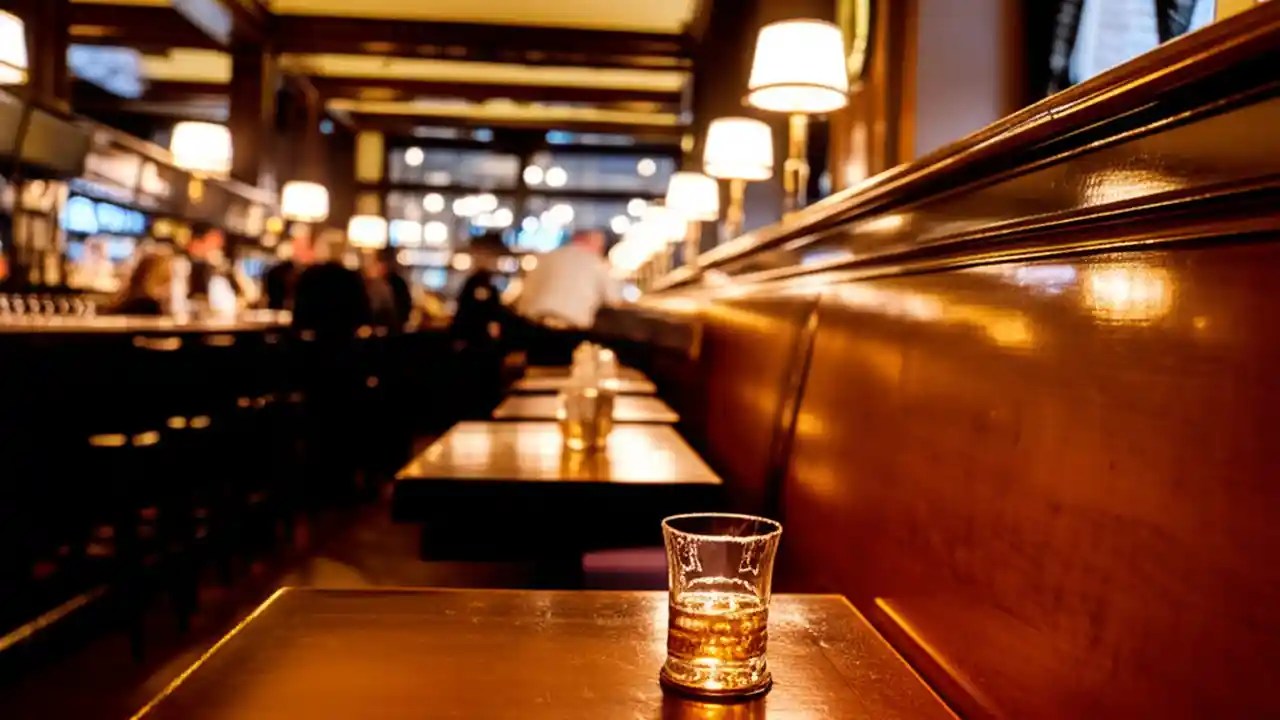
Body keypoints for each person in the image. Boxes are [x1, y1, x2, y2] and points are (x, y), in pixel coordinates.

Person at [514, 228, 620, 329]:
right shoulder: (596, 263)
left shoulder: (547, 257)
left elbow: (525, 291)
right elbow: (614, 300)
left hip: (533, 321)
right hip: (570, 325)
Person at [106, 251, 173, 316]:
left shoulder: (125, 301)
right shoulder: (147, 307)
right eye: (163, 280)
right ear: (145, 278)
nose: (169, 287)